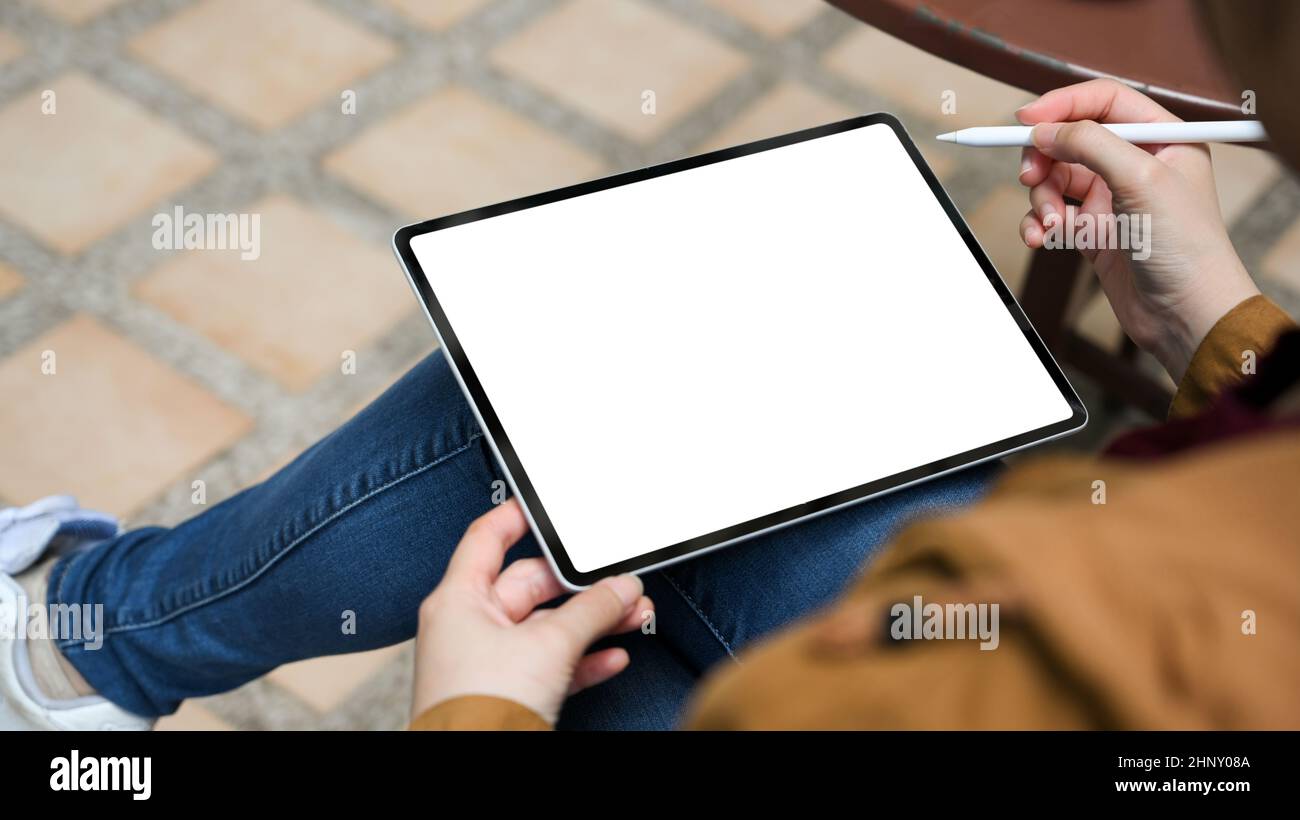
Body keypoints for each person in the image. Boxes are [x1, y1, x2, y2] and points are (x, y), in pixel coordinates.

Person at [2, 4, 1297, 732]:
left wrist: (473, 713)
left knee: (568, 402)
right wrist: (1222, 337)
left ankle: (88, 640)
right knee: (654, 396)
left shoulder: (1110, 628)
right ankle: (95, 641)